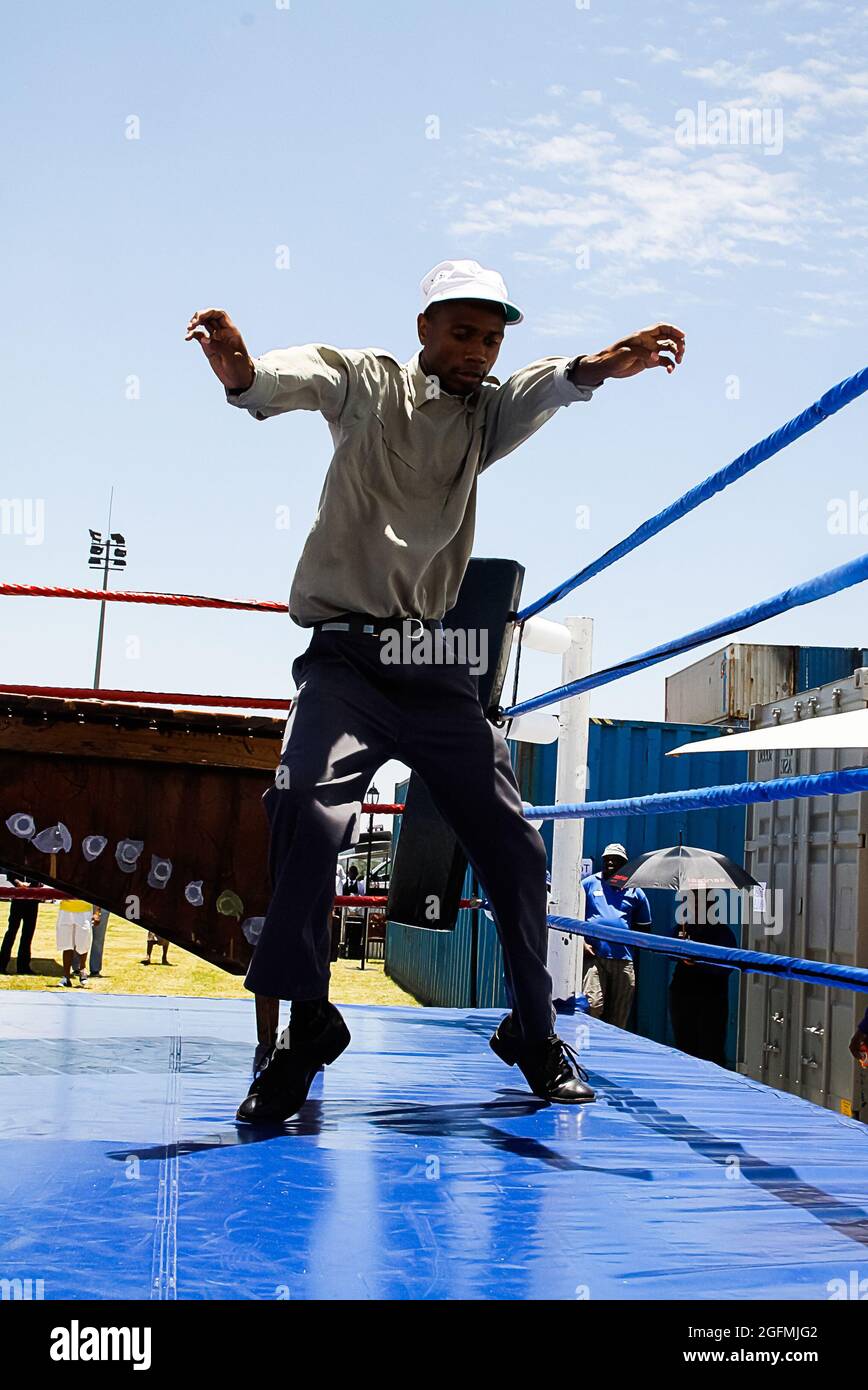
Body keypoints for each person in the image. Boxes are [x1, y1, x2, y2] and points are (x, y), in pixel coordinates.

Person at [187, 258, 685, 1125]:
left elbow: (548, 386)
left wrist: (606, 365)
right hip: (344, 659)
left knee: (517, 848)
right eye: (463, 332)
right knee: (302, 808)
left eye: (491, 338)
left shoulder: (485, 415)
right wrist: (237, 365)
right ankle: (307, 1030)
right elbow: (278, 380)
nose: (479, 351)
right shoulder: (365, 379)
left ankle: (532, 1031)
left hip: (435, 661)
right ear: (425, 328)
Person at [581, 844, 652, 1028]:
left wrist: (629, 941)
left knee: (619, 1016)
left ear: (625, 864)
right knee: (592, 1005)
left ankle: (609, 1053)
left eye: (616, 859)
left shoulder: (635, 891)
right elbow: (572, 916)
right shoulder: (589, 884)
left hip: (623, 960)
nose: (610, 862)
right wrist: (581, 943)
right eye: (607, 859)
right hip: (594, 957)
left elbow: (645, 928)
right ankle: (589, 1048)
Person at [668, 891, 737, 1067]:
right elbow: (666, 948)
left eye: (701, 903)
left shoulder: (722, 932)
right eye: (693, 903)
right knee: (685, 1046)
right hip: (683, 995)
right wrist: (679, 946)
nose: (696, 907)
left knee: (710, 1049)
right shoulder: (683, 927)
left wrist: (698, 961)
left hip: (710, 999)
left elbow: (727, 966)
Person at [0, 872, 41, 976]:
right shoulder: (17, 858)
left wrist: (32, 884)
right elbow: (10, 875)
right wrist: (18, 883)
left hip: (32, 900)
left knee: (28, 934)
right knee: (11, 932)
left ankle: (23, 966)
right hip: (18, 898)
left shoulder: (37, 860)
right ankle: (2, 965)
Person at [56, 897, 93, 987]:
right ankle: (66, 977)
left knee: (83, 942)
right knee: (66, 944)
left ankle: (82, 970)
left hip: (84, 910)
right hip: (66, 909)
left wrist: (97, 912)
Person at [89, 906, 110, 977]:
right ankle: (77, 967)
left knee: (98, 939)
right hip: (84, 904)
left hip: (103, 907)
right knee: (80, 936)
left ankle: (95, 969)